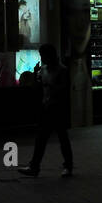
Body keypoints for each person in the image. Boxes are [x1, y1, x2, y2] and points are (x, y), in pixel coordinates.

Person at [18, 43, 74, 177]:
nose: (42, 58)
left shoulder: (62, 70)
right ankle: (34, 166)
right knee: (41, 139)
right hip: (46, 107)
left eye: (43, 55)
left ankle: (67, 166)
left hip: (58, 108)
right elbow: (36, 88)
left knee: (62, 138)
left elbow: (64, 89)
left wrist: (48, 85)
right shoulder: (42, 70)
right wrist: (35, 75)